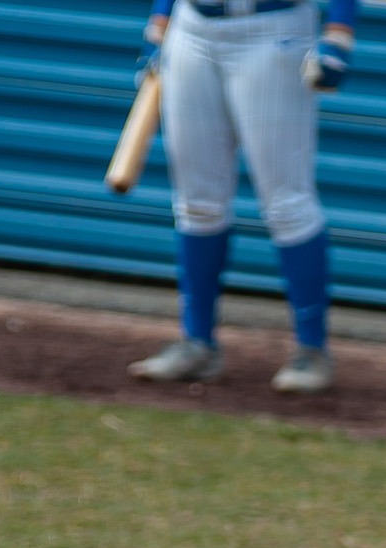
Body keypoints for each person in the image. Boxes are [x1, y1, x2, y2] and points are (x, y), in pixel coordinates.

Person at [126, 0, 357, 393]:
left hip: (273, 26)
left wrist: (339, 31)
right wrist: (159, 23)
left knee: (287, 203)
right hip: (193, 25)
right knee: (196, 203)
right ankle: (196, 342)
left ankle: (312, 350)